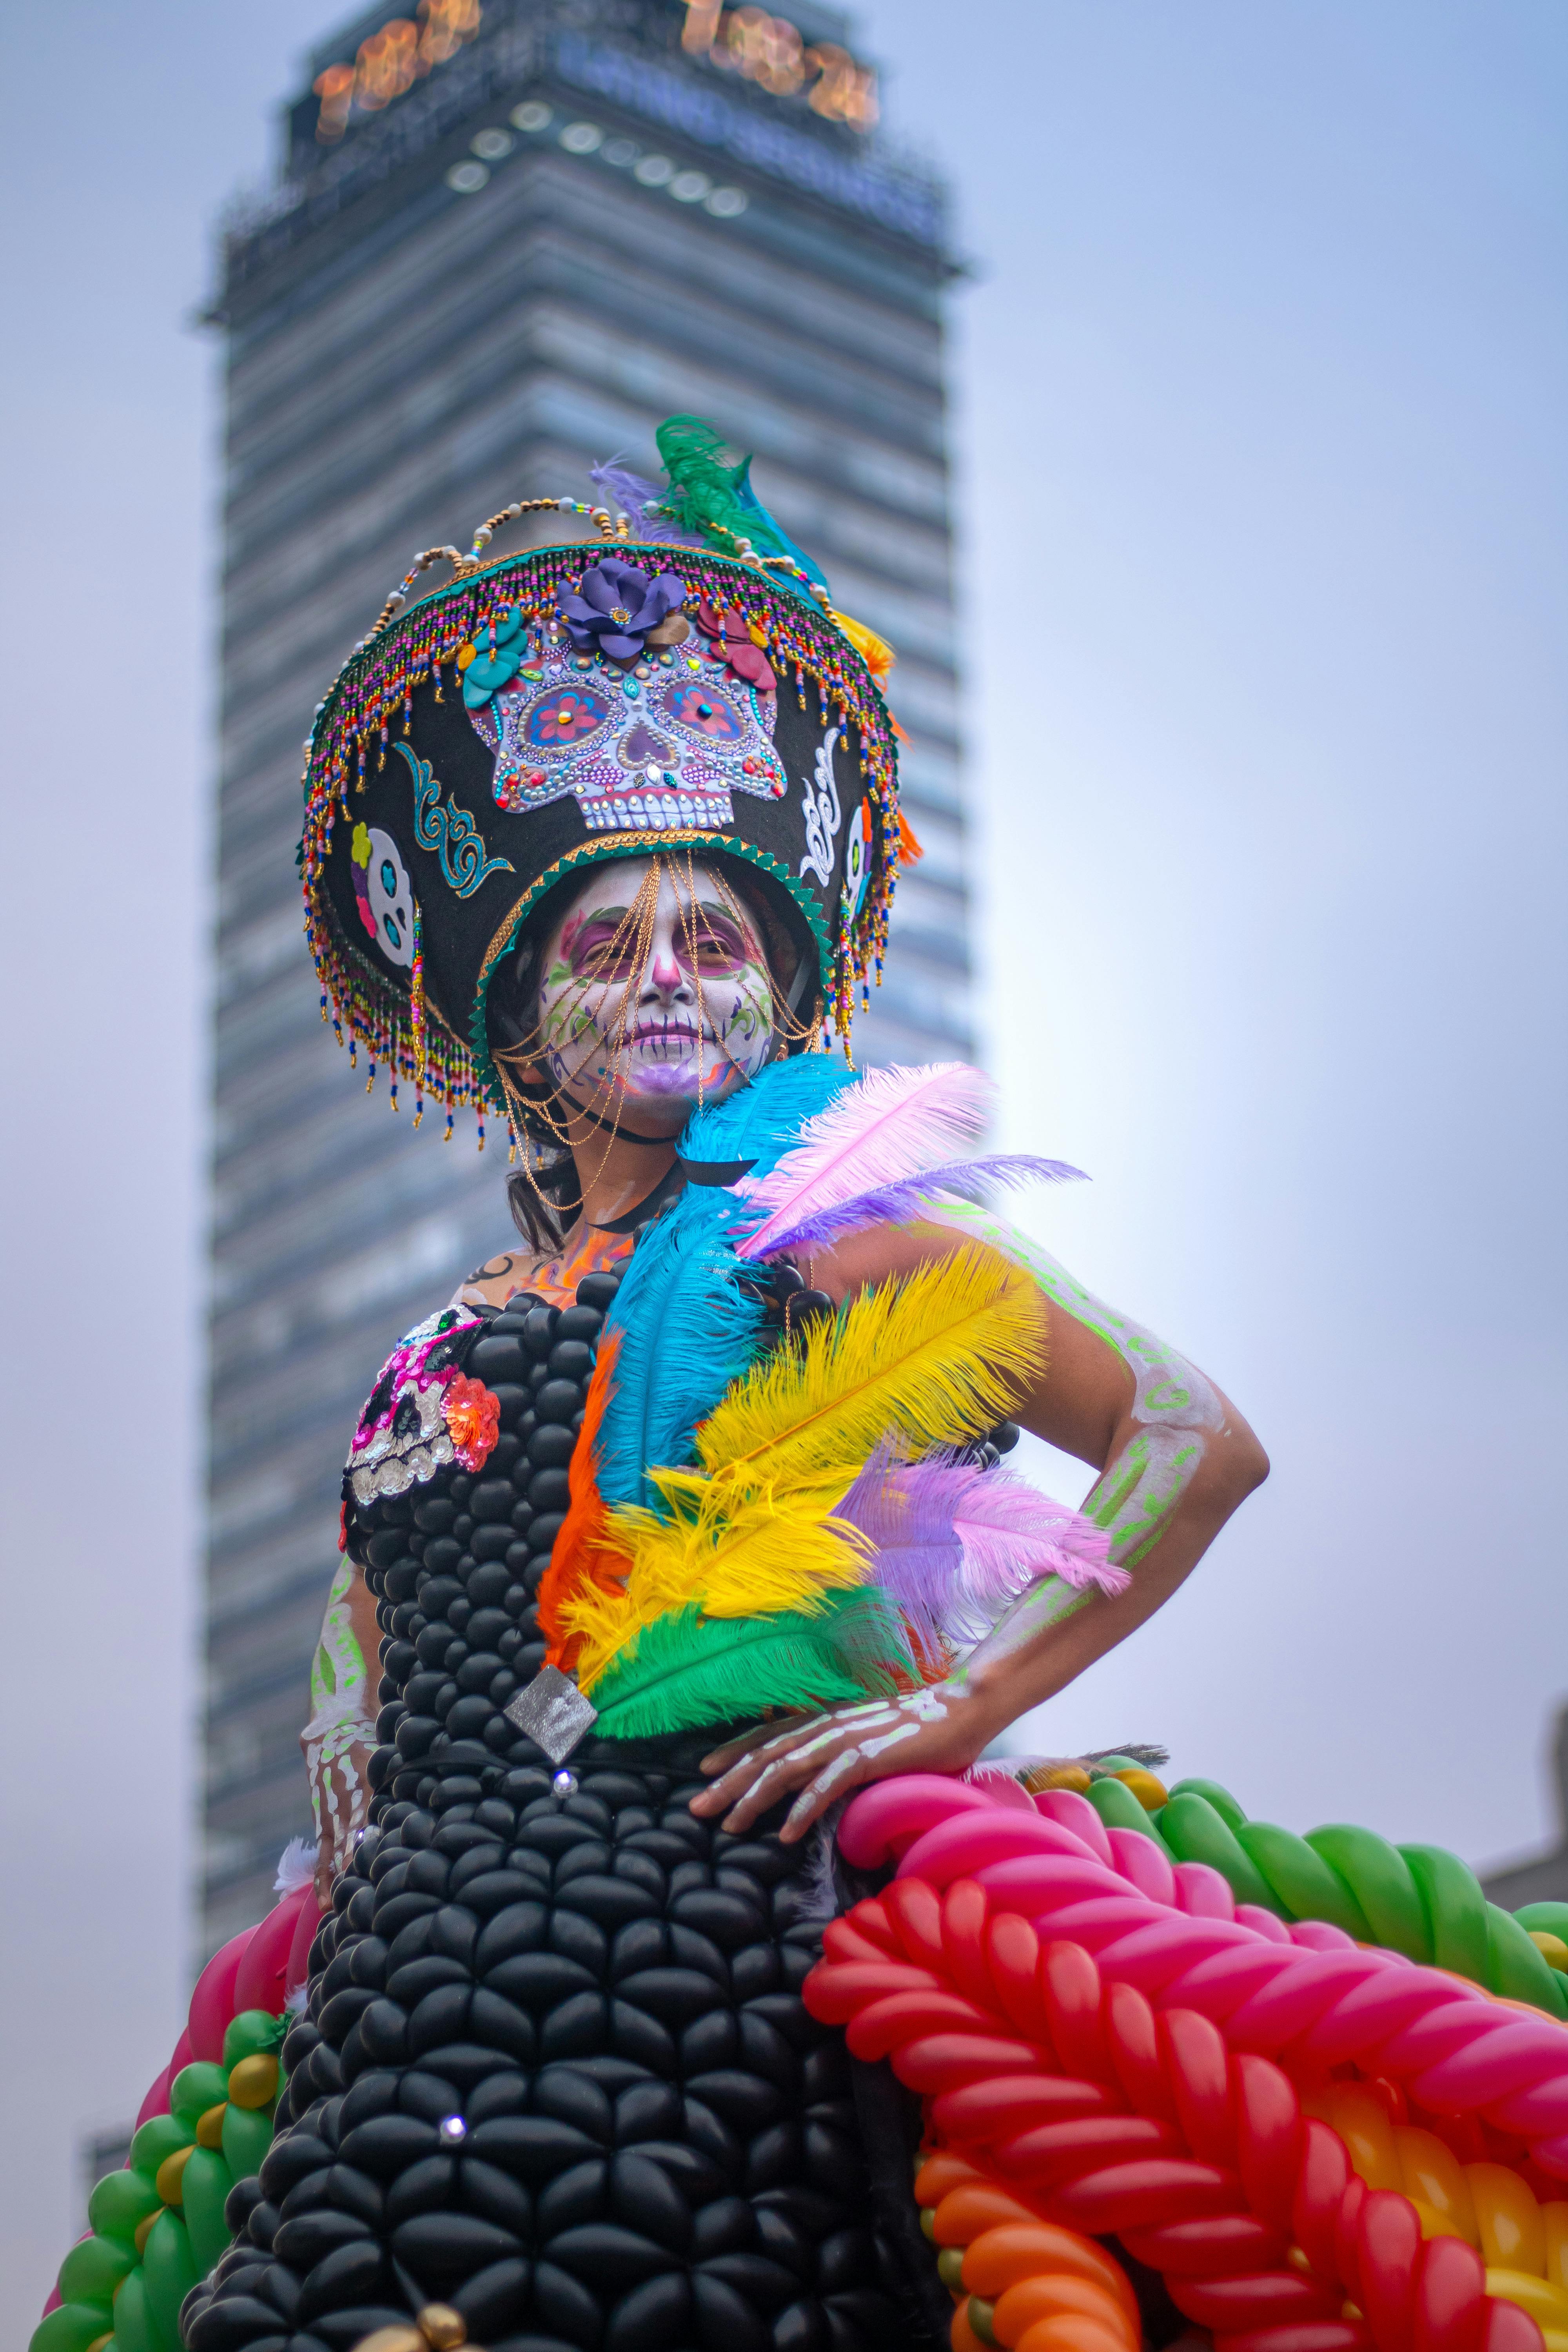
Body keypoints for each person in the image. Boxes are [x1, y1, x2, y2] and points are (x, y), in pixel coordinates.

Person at [180, 419, 1266, 2352]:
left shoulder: (813, 1220)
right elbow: (379, 1599)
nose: (667, 976)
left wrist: (956, 1709)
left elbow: (1190, 1436)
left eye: (714, 938)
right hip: (407, 1996)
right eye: (606, 943)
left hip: (712, 1982)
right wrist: (345, 1757)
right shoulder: (447, 1324)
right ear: (525, 1012)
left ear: (781, 988)